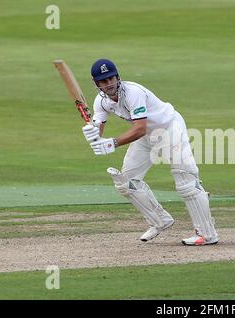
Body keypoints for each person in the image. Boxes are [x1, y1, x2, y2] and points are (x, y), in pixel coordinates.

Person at [82, 58, 219, 246]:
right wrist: (92, 132)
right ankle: (160, 220)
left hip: (169, 129)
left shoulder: (133, 93)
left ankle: (207, 235)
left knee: (186, 182)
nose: (110, 83)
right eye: (104, 81)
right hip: (147, 136)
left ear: (118, 77)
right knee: (127, 182)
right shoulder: (101, 101)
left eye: (112, 78)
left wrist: (113, 143)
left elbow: (139, 128)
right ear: (97, 84)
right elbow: (98, 128)